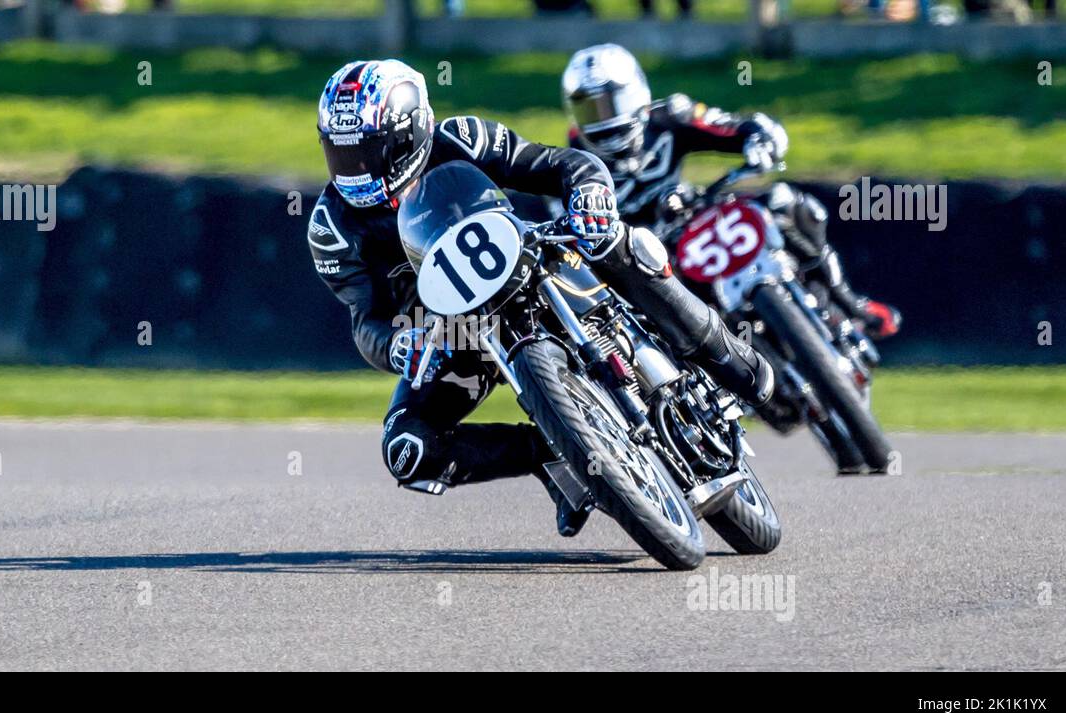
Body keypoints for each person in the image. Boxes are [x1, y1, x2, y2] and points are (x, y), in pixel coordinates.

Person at [307, 59, 774, 537]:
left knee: (617, 242)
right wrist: (398, 344)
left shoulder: (463, 138)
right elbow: (365, 321)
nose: (356, 170)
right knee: (407, 448)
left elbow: (562, 164)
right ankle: (552, 454)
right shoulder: (332, 228)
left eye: (367, 153)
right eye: (343, 155)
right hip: (452, 334)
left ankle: (723, 353)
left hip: (533, 257)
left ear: (409, 133)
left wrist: (589, 194)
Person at [561, 43, 902, 340]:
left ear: (634, 94)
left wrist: (759, 140)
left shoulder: (670, 115)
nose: (600, 119)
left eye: (608, 103)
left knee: (790, 204)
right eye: (588, 108)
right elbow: (568, 232)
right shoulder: (570, 162)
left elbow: (734, 125)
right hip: (650, 259)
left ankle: (846, 302)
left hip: (694, 218)